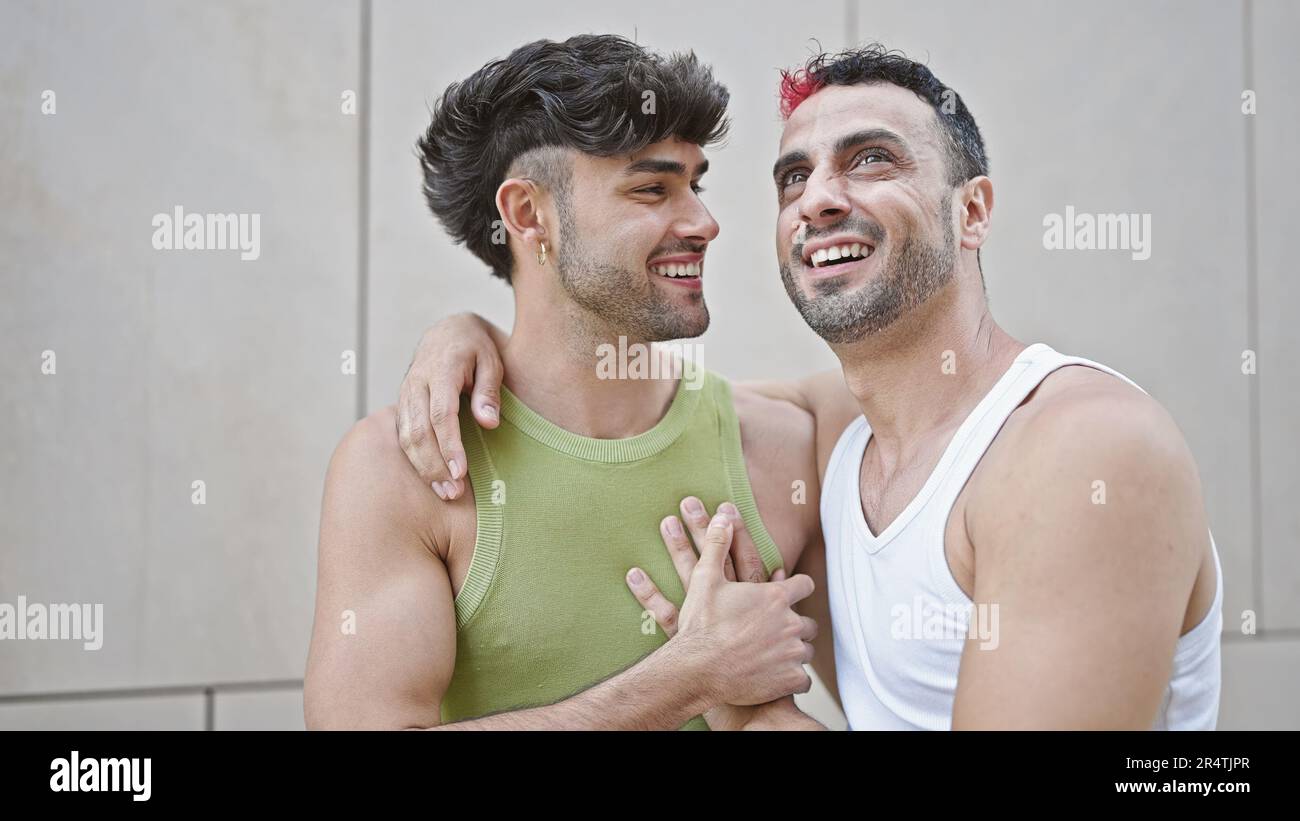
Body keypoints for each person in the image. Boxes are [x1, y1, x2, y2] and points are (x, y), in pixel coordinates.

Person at [401, 44, 1223, 730]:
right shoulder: (843, 437)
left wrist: (739, 704)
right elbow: (598, 392)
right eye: (794, 177)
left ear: (972, 212)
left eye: (871, 159)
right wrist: (470, 335)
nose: (819, 198)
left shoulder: (1081, 448)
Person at [304, 34, 825, 731]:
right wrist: (688, 676)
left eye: (695, 184)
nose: (705, 222)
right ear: (527, 215)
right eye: (652, 187)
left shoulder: (785, 447)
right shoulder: (404, 468)